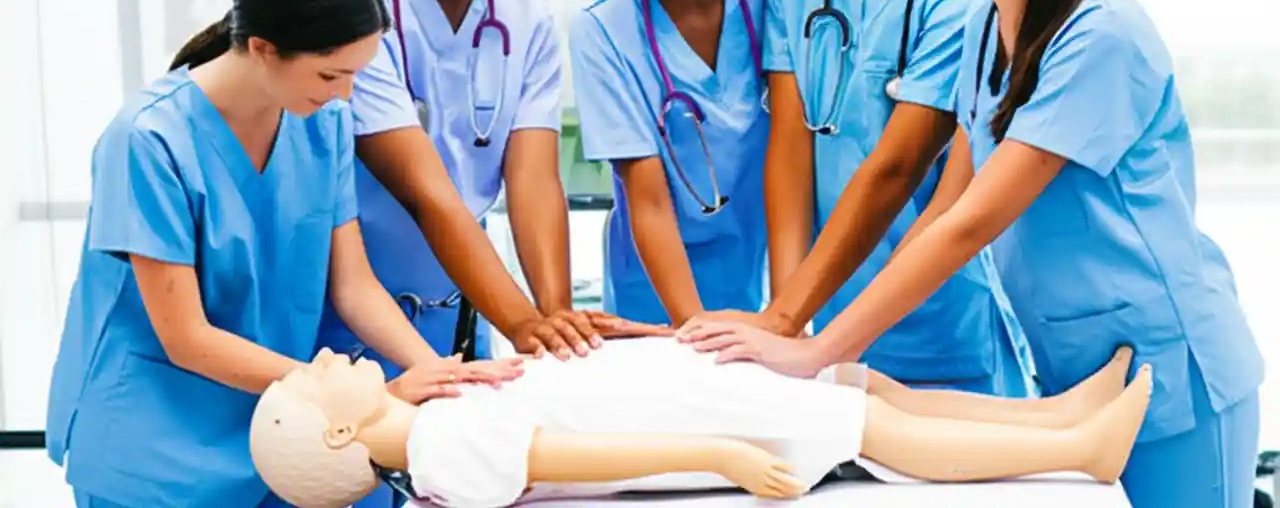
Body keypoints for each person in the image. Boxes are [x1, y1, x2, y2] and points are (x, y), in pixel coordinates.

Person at [680, 0, 1267, 508]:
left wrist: (815, 350)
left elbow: (973, 225)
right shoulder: (988, 27)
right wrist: (816, 339)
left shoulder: (1096, 38)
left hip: (1171, 369)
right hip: (1074, 366)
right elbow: (944, 211)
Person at [43, 0, 525, 508]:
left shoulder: (322, 127)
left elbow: (353, 286)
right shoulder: (147, 141)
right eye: (330, 75)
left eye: (355, 74)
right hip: (151, 454)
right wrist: (348, 393)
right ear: (265, 48)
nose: (346, 95)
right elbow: (187, 338)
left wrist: (438, 370)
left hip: (274, 436)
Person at [687, 0, 1031, 396]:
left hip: (937, 315)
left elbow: (898, 166)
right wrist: (787, 317)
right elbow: (792, 142)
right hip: (822, 315)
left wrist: (793, 322)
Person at [315, 0, 613, 379]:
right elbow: (429, 192)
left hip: (461, 306)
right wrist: (524, 324)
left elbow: (531, 180)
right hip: (350, 309)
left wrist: (554, 319)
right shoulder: (360, 2)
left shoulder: (524, 14)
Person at [249, 338, 1154, 508]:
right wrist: (724, 450)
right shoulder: (444, 449)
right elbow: (590, 457)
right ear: (338, 437)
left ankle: (1051, 412)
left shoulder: (424, 421)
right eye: (316, 380)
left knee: (866, 388)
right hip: (697, 413)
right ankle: (1079, 447)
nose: (324, 359)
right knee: (870, 428)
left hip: (680, 381)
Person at [568, 0, 769, 327]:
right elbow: (647, 197)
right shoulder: (604, 29)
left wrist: (784, 314)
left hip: (755, 275)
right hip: (652, 294)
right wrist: (693, 330)